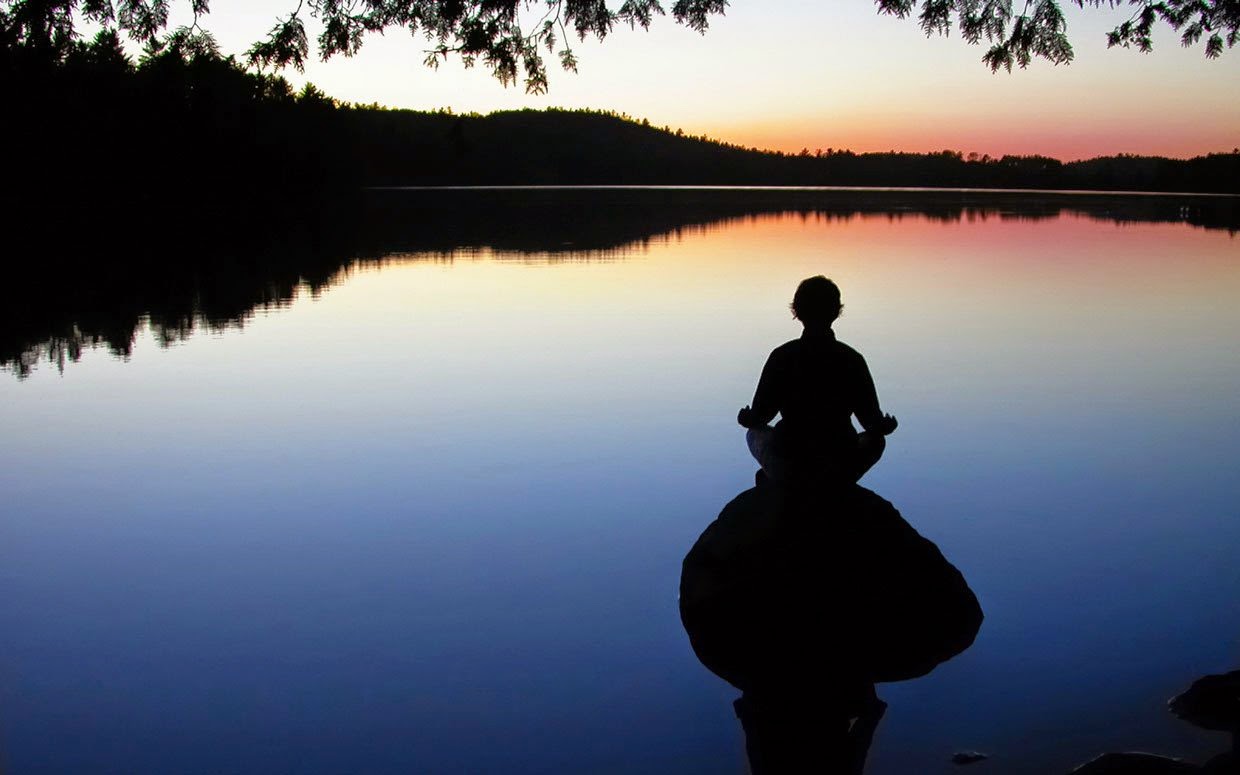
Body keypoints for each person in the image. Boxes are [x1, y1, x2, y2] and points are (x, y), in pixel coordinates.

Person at [737, 276, 897, 484]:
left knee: (754, 433)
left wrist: (746, 419)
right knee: (875, 441)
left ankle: (777, 478)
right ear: (836, 311)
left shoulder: (783, 356)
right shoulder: (851, 359)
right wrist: (886, 425)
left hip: (791, 459)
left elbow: (761, 417)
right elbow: (871, 423)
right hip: (839, 459)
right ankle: (837, 483)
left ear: (796, 310)